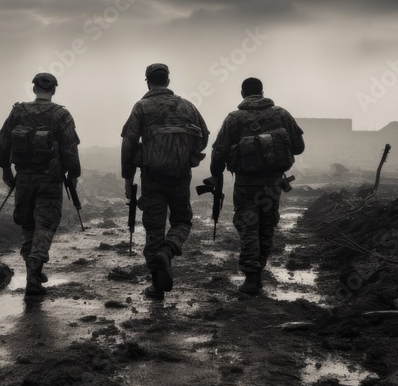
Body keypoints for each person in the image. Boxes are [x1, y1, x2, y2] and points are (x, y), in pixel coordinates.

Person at [208, 77, 304, 295]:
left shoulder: (234, 118)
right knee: (266, 226)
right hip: (273, 182)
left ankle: (251, 278)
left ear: (242, 93)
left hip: (245, 183)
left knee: (248, 225)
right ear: (262, 92)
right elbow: (298, 147)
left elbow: (219, 151)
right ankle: (258, 272)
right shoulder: (281, 114)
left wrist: (216, 175)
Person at [121, 63, 210, 299]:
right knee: (182, 221)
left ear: (148, 82)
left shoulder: (142, 107)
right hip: (180, 177)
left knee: (154, 228)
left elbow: (129, 145)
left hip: (152, 177)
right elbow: (204, 136)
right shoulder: (187, 105)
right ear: (168, 81)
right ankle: (169, 251)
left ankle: (156, 285)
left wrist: (128, 178)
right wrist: (186, 155)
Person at [0, 72, 81, 296]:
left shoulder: (18, 111)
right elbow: (70, 147)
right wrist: (73, 174)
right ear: (54, 90)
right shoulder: (61, 114)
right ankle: (35, 269)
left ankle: (32, 273)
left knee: (27, 225)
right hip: (50, 179)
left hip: (24, 178)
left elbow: (4, 139)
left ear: (34, 89)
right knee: (45, 224)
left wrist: (5, 168)